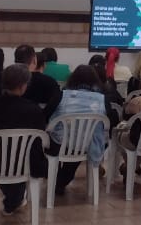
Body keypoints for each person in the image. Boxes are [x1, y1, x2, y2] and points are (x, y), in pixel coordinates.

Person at [0, 64, 49, 216]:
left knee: (6, 153)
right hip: (25, 163)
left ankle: (14, 199)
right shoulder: (34, 110)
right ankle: (14, 199)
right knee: (20, 153)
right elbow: (39, 136)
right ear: (23, 86)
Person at [46, 64, 110, 195]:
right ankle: (62, 181)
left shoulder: (62, 95)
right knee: (80, 144)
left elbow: (46, 115)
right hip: (87, 145)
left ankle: (55, 178)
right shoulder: (102, 99)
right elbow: (110, 121)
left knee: (53, 143)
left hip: (59, 143)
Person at [16, 44, 62, 119]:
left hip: (9, 125)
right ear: (34, 60)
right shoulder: (50, 82)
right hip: (40, 125)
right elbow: (56, 104)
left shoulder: (4, 78)